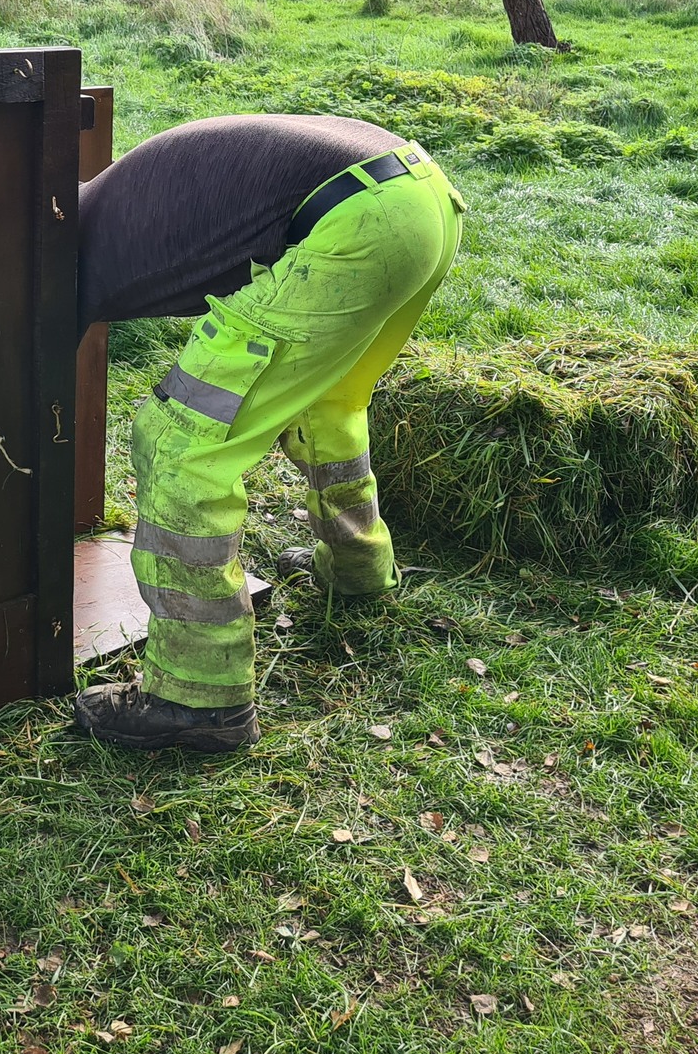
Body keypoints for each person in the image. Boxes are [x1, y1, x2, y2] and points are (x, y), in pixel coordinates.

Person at [72, 114, 465, 751]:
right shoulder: (113, 202)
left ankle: (198, 700)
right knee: (327, 404)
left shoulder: (77, 249)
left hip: (354, 223)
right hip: (420, 197)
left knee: (180, 443)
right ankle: (358, 566)